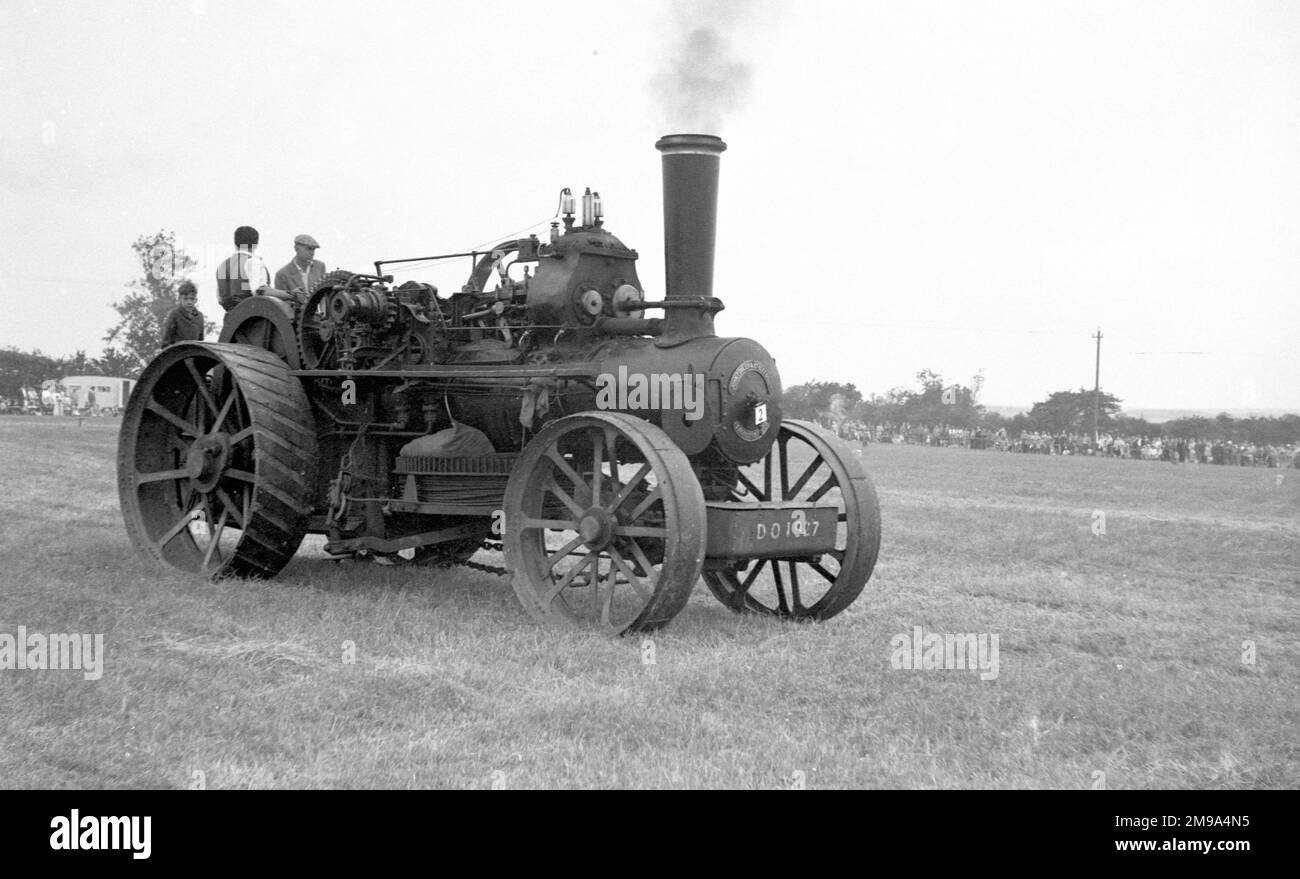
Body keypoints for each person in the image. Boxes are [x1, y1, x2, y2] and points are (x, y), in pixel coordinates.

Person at [216, 225, 277, 311]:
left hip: (231, 320)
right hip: (254, 318)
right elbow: (260, 291)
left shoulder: (222, 266)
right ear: (256, 244)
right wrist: (290, 294)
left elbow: (220, 299)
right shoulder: (253, 262)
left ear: (235, 243)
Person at [273, 233, 327, 300]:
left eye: (314, 249)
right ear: (297, 249)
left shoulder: (320, 267)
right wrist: (292, 295)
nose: (312, 252)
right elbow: (280, 304)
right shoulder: (282, 275)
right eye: (309, 248)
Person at [161, 280, 205, 347]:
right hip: (178, 353)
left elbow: (201, 340)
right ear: (179, 299)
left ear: (196, 300)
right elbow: (166, 340)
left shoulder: (200, 316)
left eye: (192, 299)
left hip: (194, 352)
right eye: (185, 299)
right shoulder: (174, 314)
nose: (189, 302)